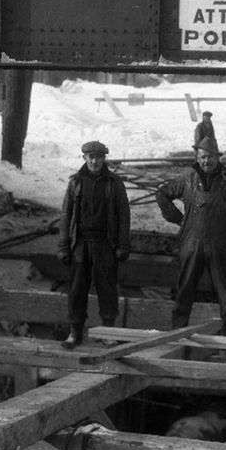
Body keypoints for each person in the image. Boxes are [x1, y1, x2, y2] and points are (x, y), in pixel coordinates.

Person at [155, 135, 226, 339]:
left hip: (221, 244)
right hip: (191, 243)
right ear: (197, 157)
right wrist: (178, 219)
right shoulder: (187, 179)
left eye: (210, 157)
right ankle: (177, 334)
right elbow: (162, 194)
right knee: (184, 289)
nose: (206, 161)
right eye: (203, 157)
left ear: (217, 158)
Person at [57, 140, 131, 349]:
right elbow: (66, 215)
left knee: (107, 289)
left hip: (105, 244)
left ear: (104, 159)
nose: (95, 161)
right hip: (80, 244)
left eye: (99, 157)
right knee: (77, 289)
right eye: (91, 157)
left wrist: (123, 245)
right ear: (84, 158)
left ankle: (108, 332)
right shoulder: (75, 182)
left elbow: (124, 216)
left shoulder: (114, 183)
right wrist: (63, 246)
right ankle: (75, 333)